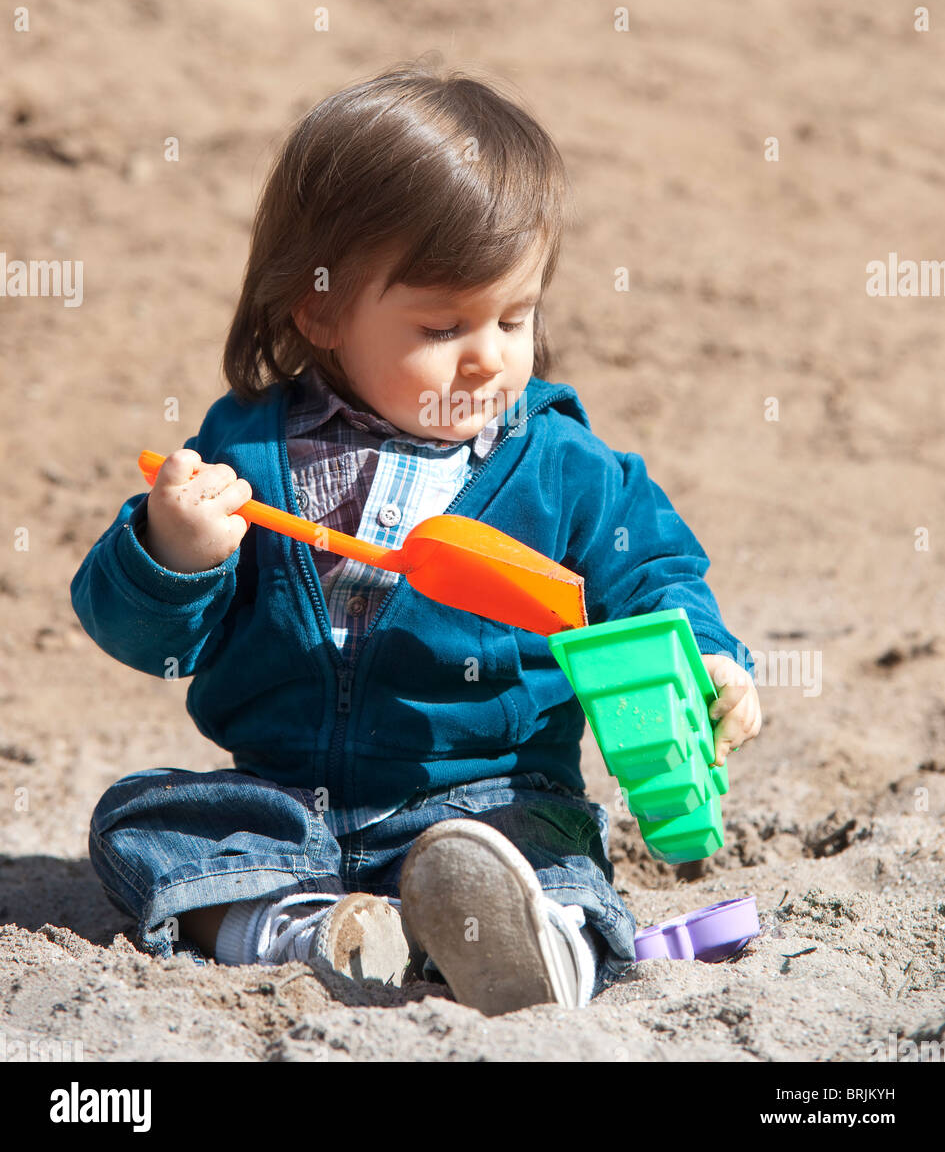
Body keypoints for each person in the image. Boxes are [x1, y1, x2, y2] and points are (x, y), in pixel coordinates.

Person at [71, 57, 762, 1016]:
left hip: (484, 798)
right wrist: (175, 551)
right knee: (143, 825)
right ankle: (321, 931)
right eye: (442, 324)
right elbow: (134, 634)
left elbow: (653, 575)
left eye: (514, 317)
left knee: (551, 853)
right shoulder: (246, 454)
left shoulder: (559, 466)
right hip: (286, 804)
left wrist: (709, 662)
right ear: (320, 308)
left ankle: (537, 944)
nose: (487, 355)